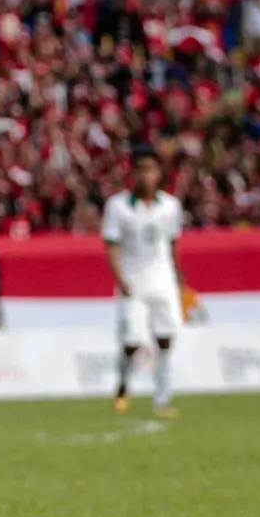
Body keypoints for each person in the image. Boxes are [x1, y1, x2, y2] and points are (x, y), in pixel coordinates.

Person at [102, 151, 186, 418]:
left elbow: (172, 243)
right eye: (141, 169)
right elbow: (111, 245)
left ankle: (162, 399)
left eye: (151, 169)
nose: (146, 175)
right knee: (132, 341)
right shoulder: (118, 206)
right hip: (133, 279)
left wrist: (176, 275)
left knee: (165, 338)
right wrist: (120, 278)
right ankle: (124, 384)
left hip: (162, 279)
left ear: (159, 174)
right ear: (133, 173)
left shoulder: (170, 206)